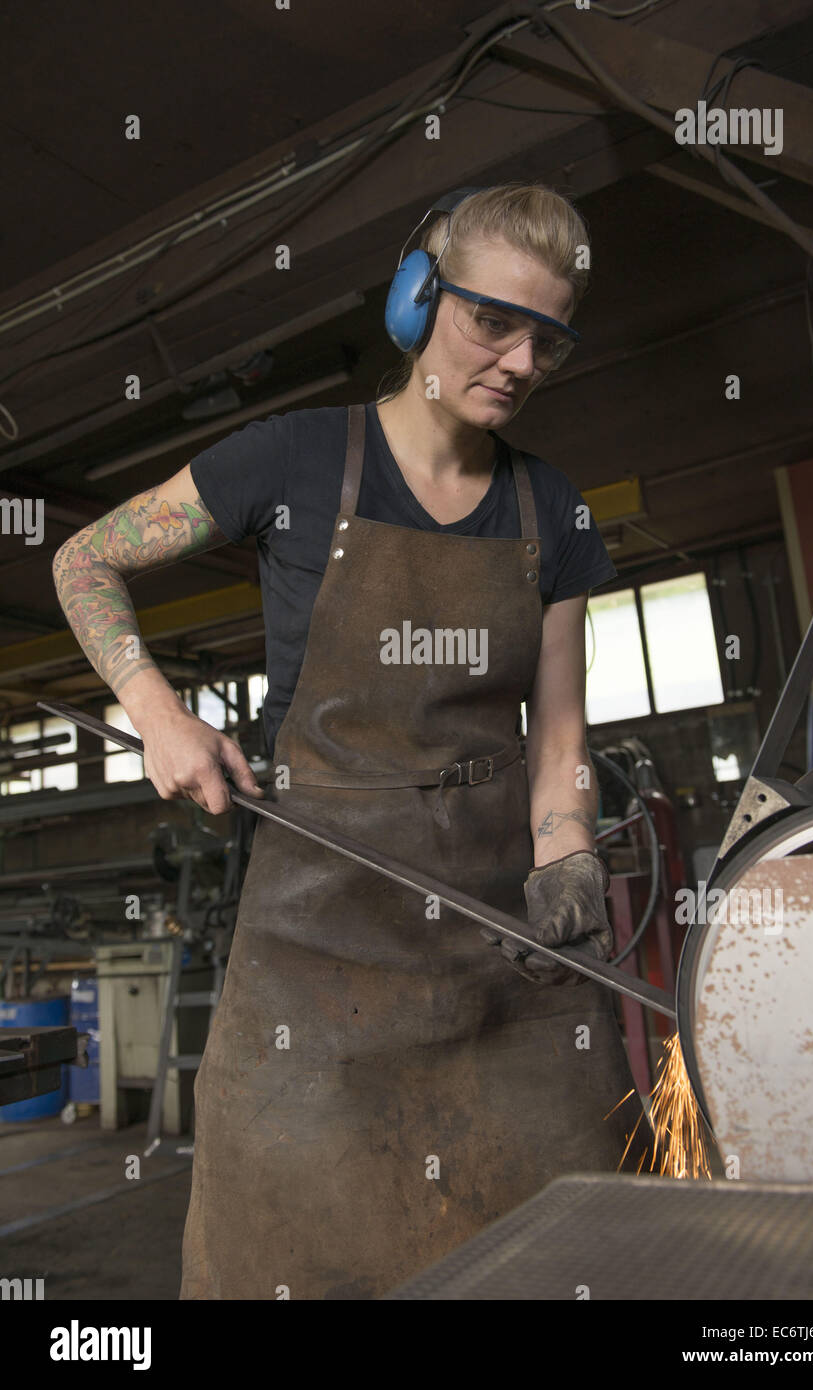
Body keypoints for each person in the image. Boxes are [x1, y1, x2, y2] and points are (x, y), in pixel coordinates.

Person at [52, 182, 654, 1301]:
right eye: (493, 322)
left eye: (549, 341)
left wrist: (566, 854)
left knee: (585, 1245)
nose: (521, 362)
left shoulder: (554, 513)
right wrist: (155, 709)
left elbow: (559, 728)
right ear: (421, 298)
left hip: (499, 967)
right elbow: (83, 558)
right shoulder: (291, 461)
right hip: (309, 977)